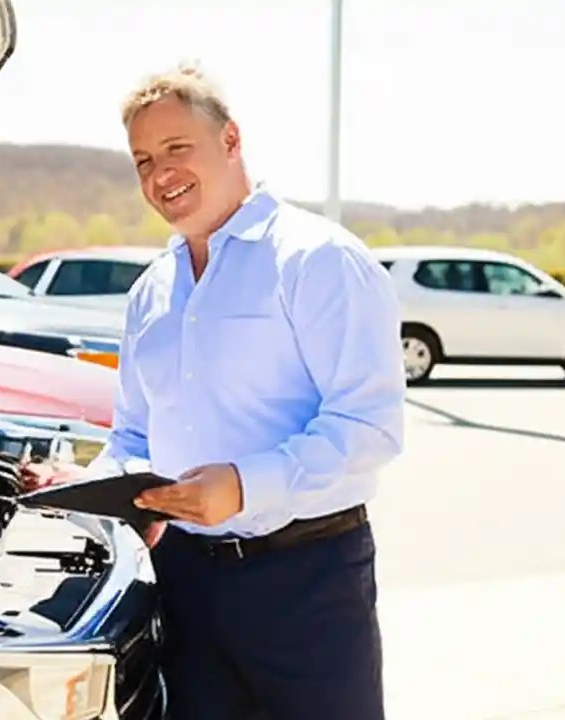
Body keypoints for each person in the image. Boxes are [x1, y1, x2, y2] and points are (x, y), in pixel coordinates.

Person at [81, 62, 408, 720]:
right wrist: (91, 488)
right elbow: (134, 434)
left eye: (177, 149)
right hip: (183, 583)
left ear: (230, 140)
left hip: (306, 581)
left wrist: (244, 483)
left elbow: (369, 424)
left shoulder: (319, 259)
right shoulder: (152, 290)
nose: (159, 175)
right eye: (143, 159)